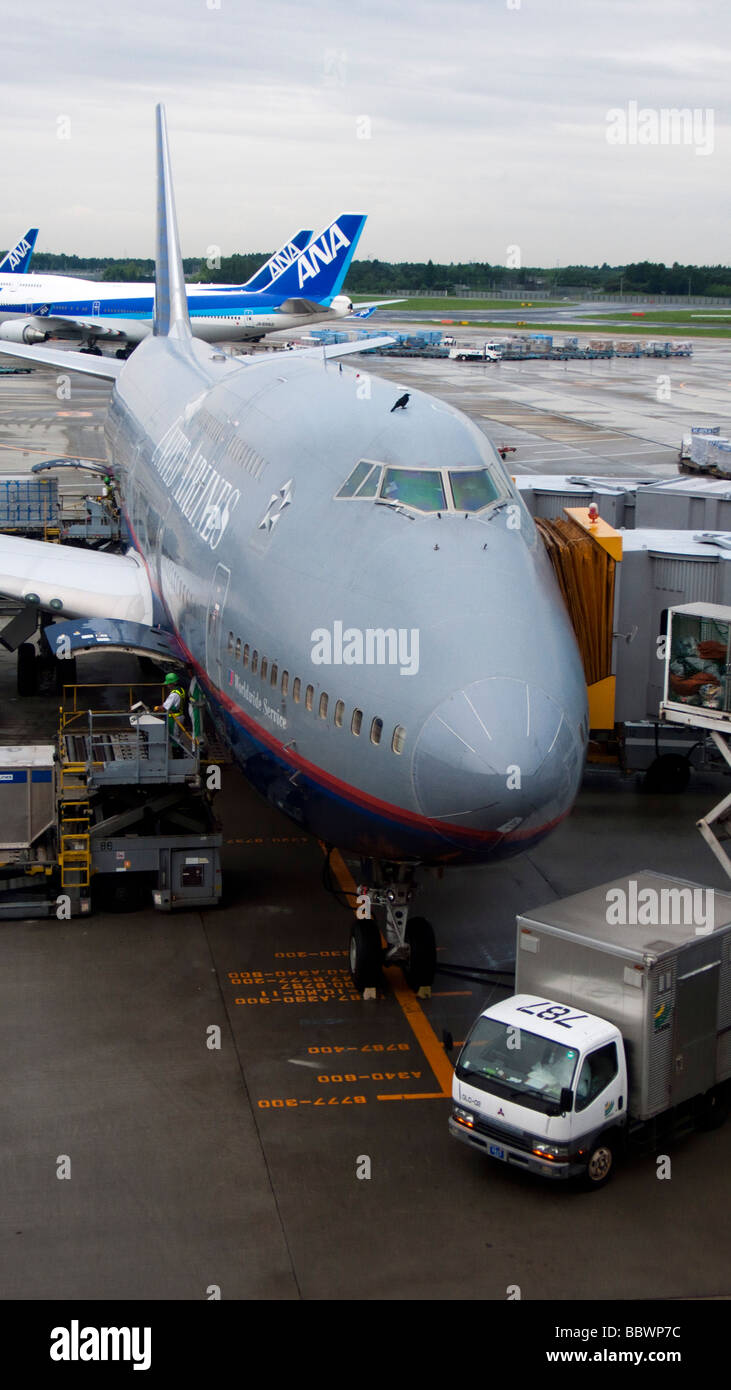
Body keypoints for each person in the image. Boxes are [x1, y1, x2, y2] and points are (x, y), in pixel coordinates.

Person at [154, 672, 187, 742]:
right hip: (180, 716)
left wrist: (157, 708)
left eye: (169, 683)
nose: (167, 685)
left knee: (174, 739)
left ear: (173, 683)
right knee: (177, 736)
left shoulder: (174, 694)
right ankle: (178, 751)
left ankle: (177, 752)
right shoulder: (181, 690)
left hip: (174, 719)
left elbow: (164, 707)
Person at [188, 672, 205, 746]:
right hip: (196, 708)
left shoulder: (193, 680)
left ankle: (196, 749)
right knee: (197, 731)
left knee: (197, 729)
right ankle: (196, 750)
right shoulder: (197, 680)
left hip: (194, 706)